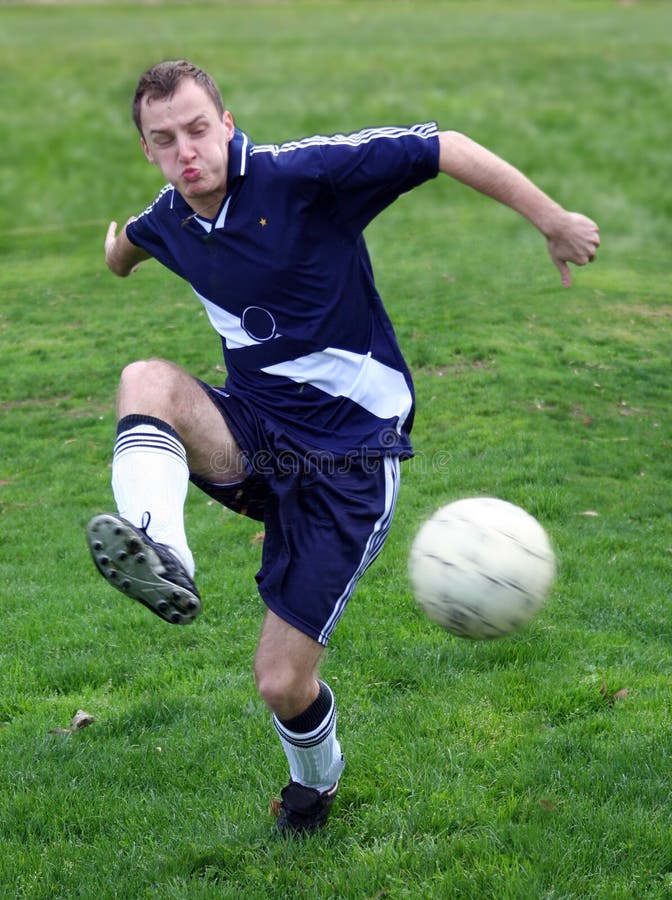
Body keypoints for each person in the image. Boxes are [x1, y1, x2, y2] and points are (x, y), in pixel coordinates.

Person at [87, 59, 600, 834]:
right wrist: (117, 251)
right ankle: (165, 557)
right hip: (254, 438)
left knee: (281, 684)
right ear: (148, 150)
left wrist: (553, 219)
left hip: (348, 461)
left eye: (198, 129)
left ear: (227, 125)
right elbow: (132, 245)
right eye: (165, 140)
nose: (186, 149)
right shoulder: (170, 216)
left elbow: (443, 145)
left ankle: (314, 785)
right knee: (144, 380)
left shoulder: (305, 176)